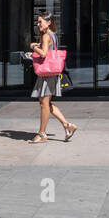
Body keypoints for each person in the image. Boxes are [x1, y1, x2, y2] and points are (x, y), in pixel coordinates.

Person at [28, 12, 78, 143]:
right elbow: (47, 51)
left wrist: (33, 47)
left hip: (47, 74)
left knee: (44, 104)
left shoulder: (45, 35)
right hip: (51, 73)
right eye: (38, 22)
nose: (38, 24)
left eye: (40, 22)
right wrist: (35, 51)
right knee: (45, 103)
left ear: (49, 22)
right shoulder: (53, 35)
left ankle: (42, 134)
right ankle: (68, 126)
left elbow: (44, 54)